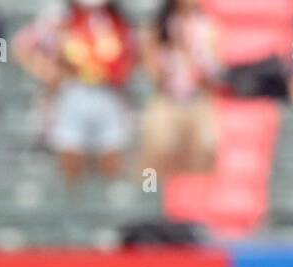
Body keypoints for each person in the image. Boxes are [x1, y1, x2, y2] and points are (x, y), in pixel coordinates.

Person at [15, 0, 138, 184]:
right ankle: (73, 208)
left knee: (112, 163)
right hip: (72, 94)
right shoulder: (60, 17)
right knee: (71, 163)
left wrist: (122, 72)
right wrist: (48, 71)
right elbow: (21, 45)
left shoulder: (116, 19)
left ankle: (107, 208)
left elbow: (133, 53)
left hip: (109, 94)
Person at [141, 0, 220, 177]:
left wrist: (195, 61)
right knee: (160, 155)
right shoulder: (160, 26)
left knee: (202, 155)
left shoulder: (207, 26)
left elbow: (215, 68)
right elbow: (152, 69)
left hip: (198, 100)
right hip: (167, 99)